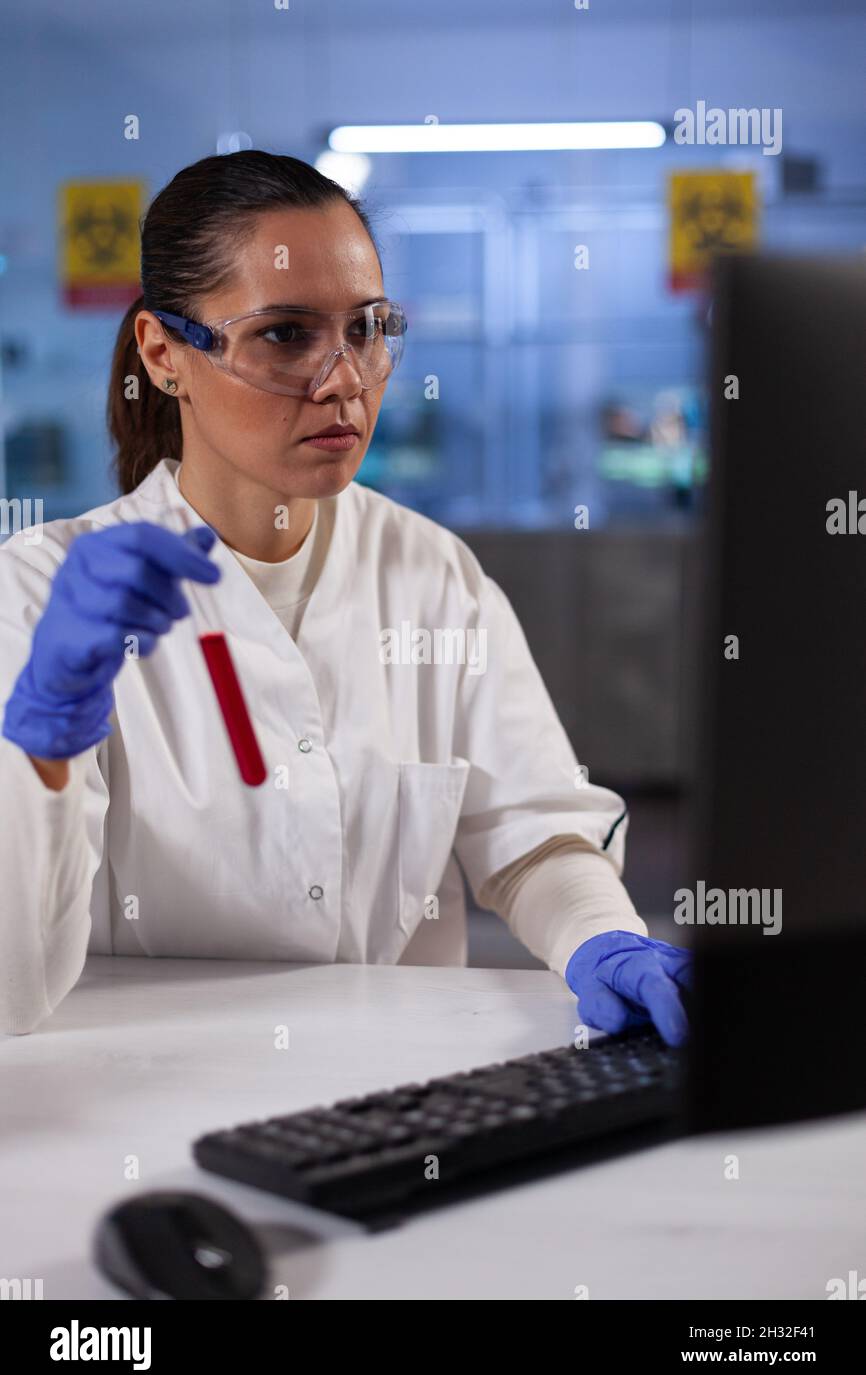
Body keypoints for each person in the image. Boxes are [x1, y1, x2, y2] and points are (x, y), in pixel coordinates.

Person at [0, 150, 691, 1040]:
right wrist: (45, 739)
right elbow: (9, 983)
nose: (346, 382)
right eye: (286, 334)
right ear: (165, 354)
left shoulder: (431, 573)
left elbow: (532, 830)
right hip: (142, 1101)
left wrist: (603, 938)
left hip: (396, 1102)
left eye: (366, 329)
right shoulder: (40, 593)